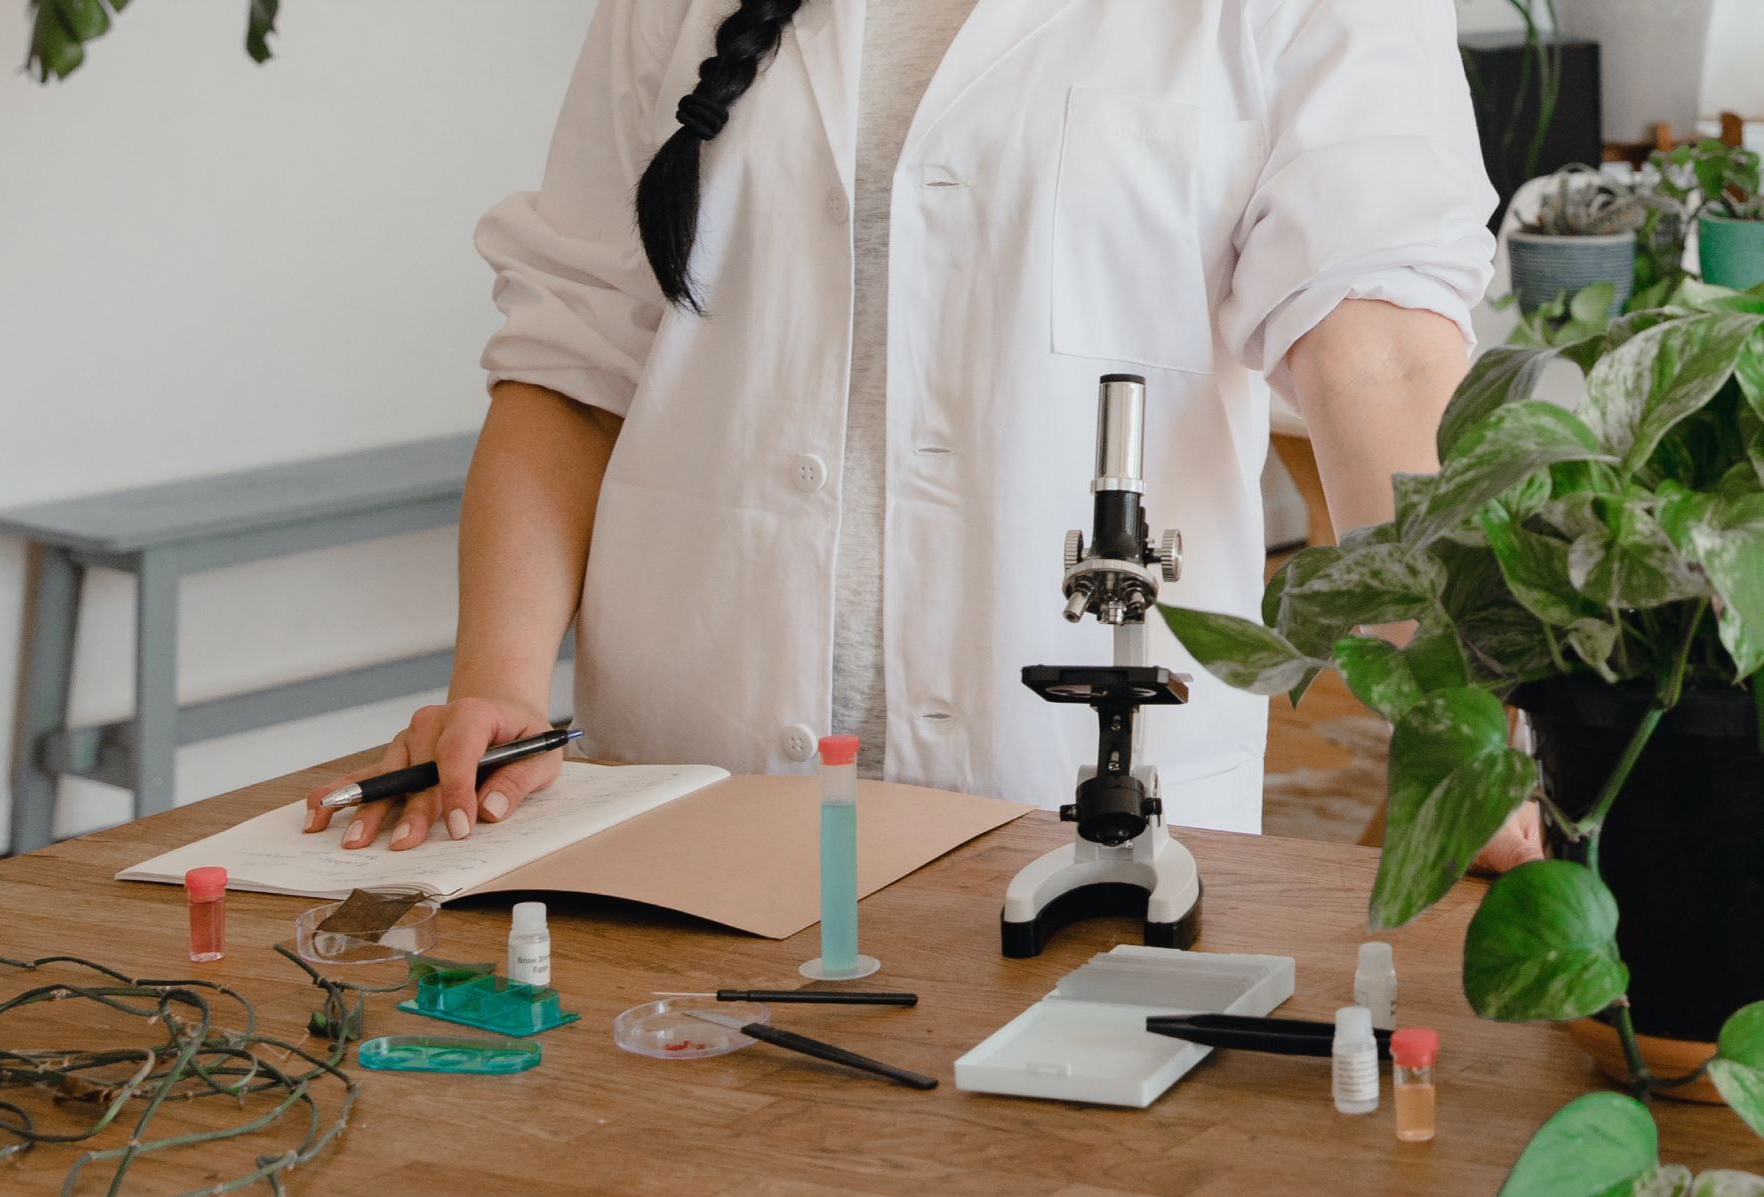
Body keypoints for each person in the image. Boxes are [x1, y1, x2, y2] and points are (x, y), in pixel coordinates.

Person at [309, 0, 1540, 869]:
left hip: (1079, 809)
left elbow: (1377, 354)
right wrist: (501, 684)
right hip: (692, 803)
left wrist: (1461, 720)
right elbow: (573, 361)